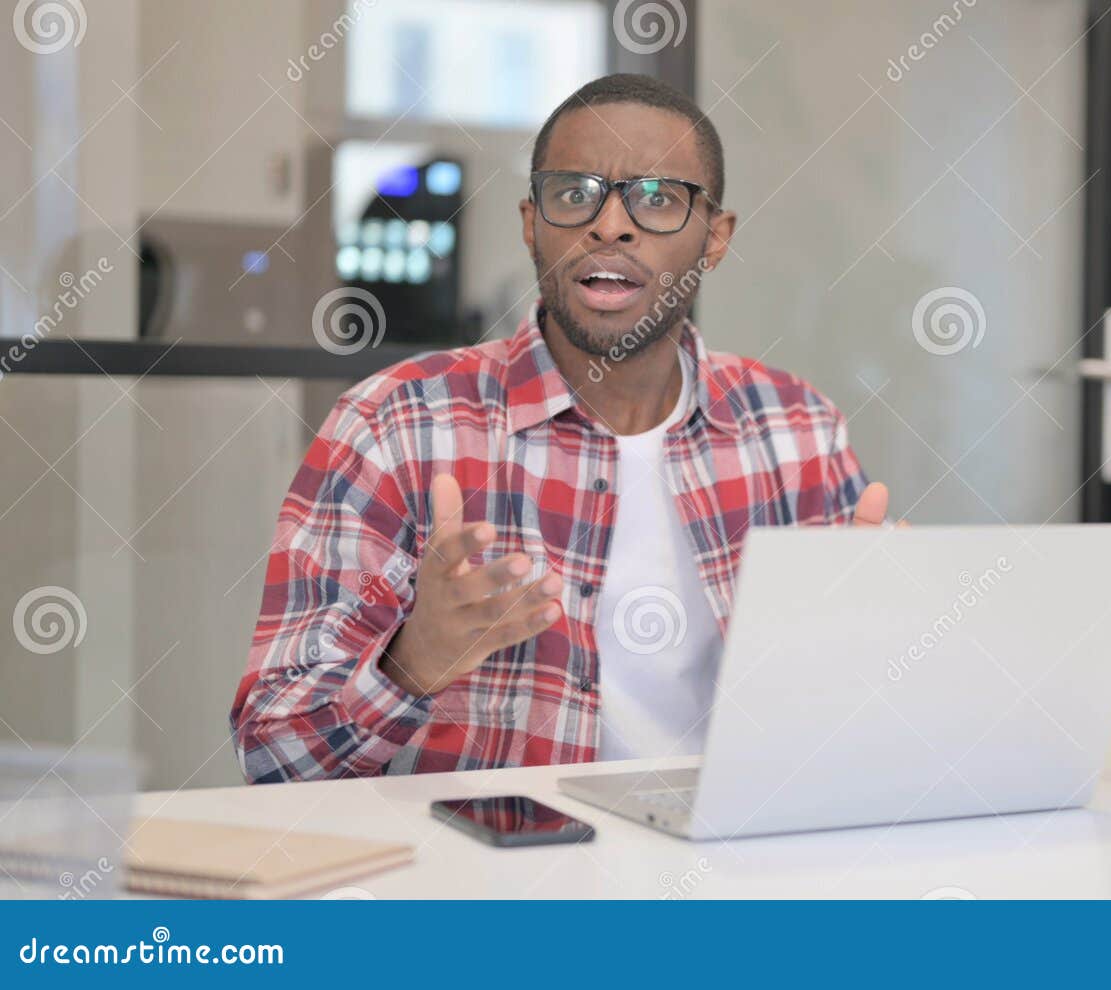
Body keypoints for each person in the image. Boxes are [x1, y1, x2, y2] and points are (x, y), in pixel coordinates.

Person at [230, 74, 894, 783]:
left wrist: (885, 641)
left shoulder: (796, 431)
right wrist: (414, 661)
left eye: (659, 199)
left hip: (726, 873)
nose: (610, 225)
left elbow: (864, 739)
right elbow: (275, 760)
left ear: (716, 239)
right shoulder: (394, 425)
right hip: (491, 883)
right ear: (530, 223)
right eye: (574, 194)